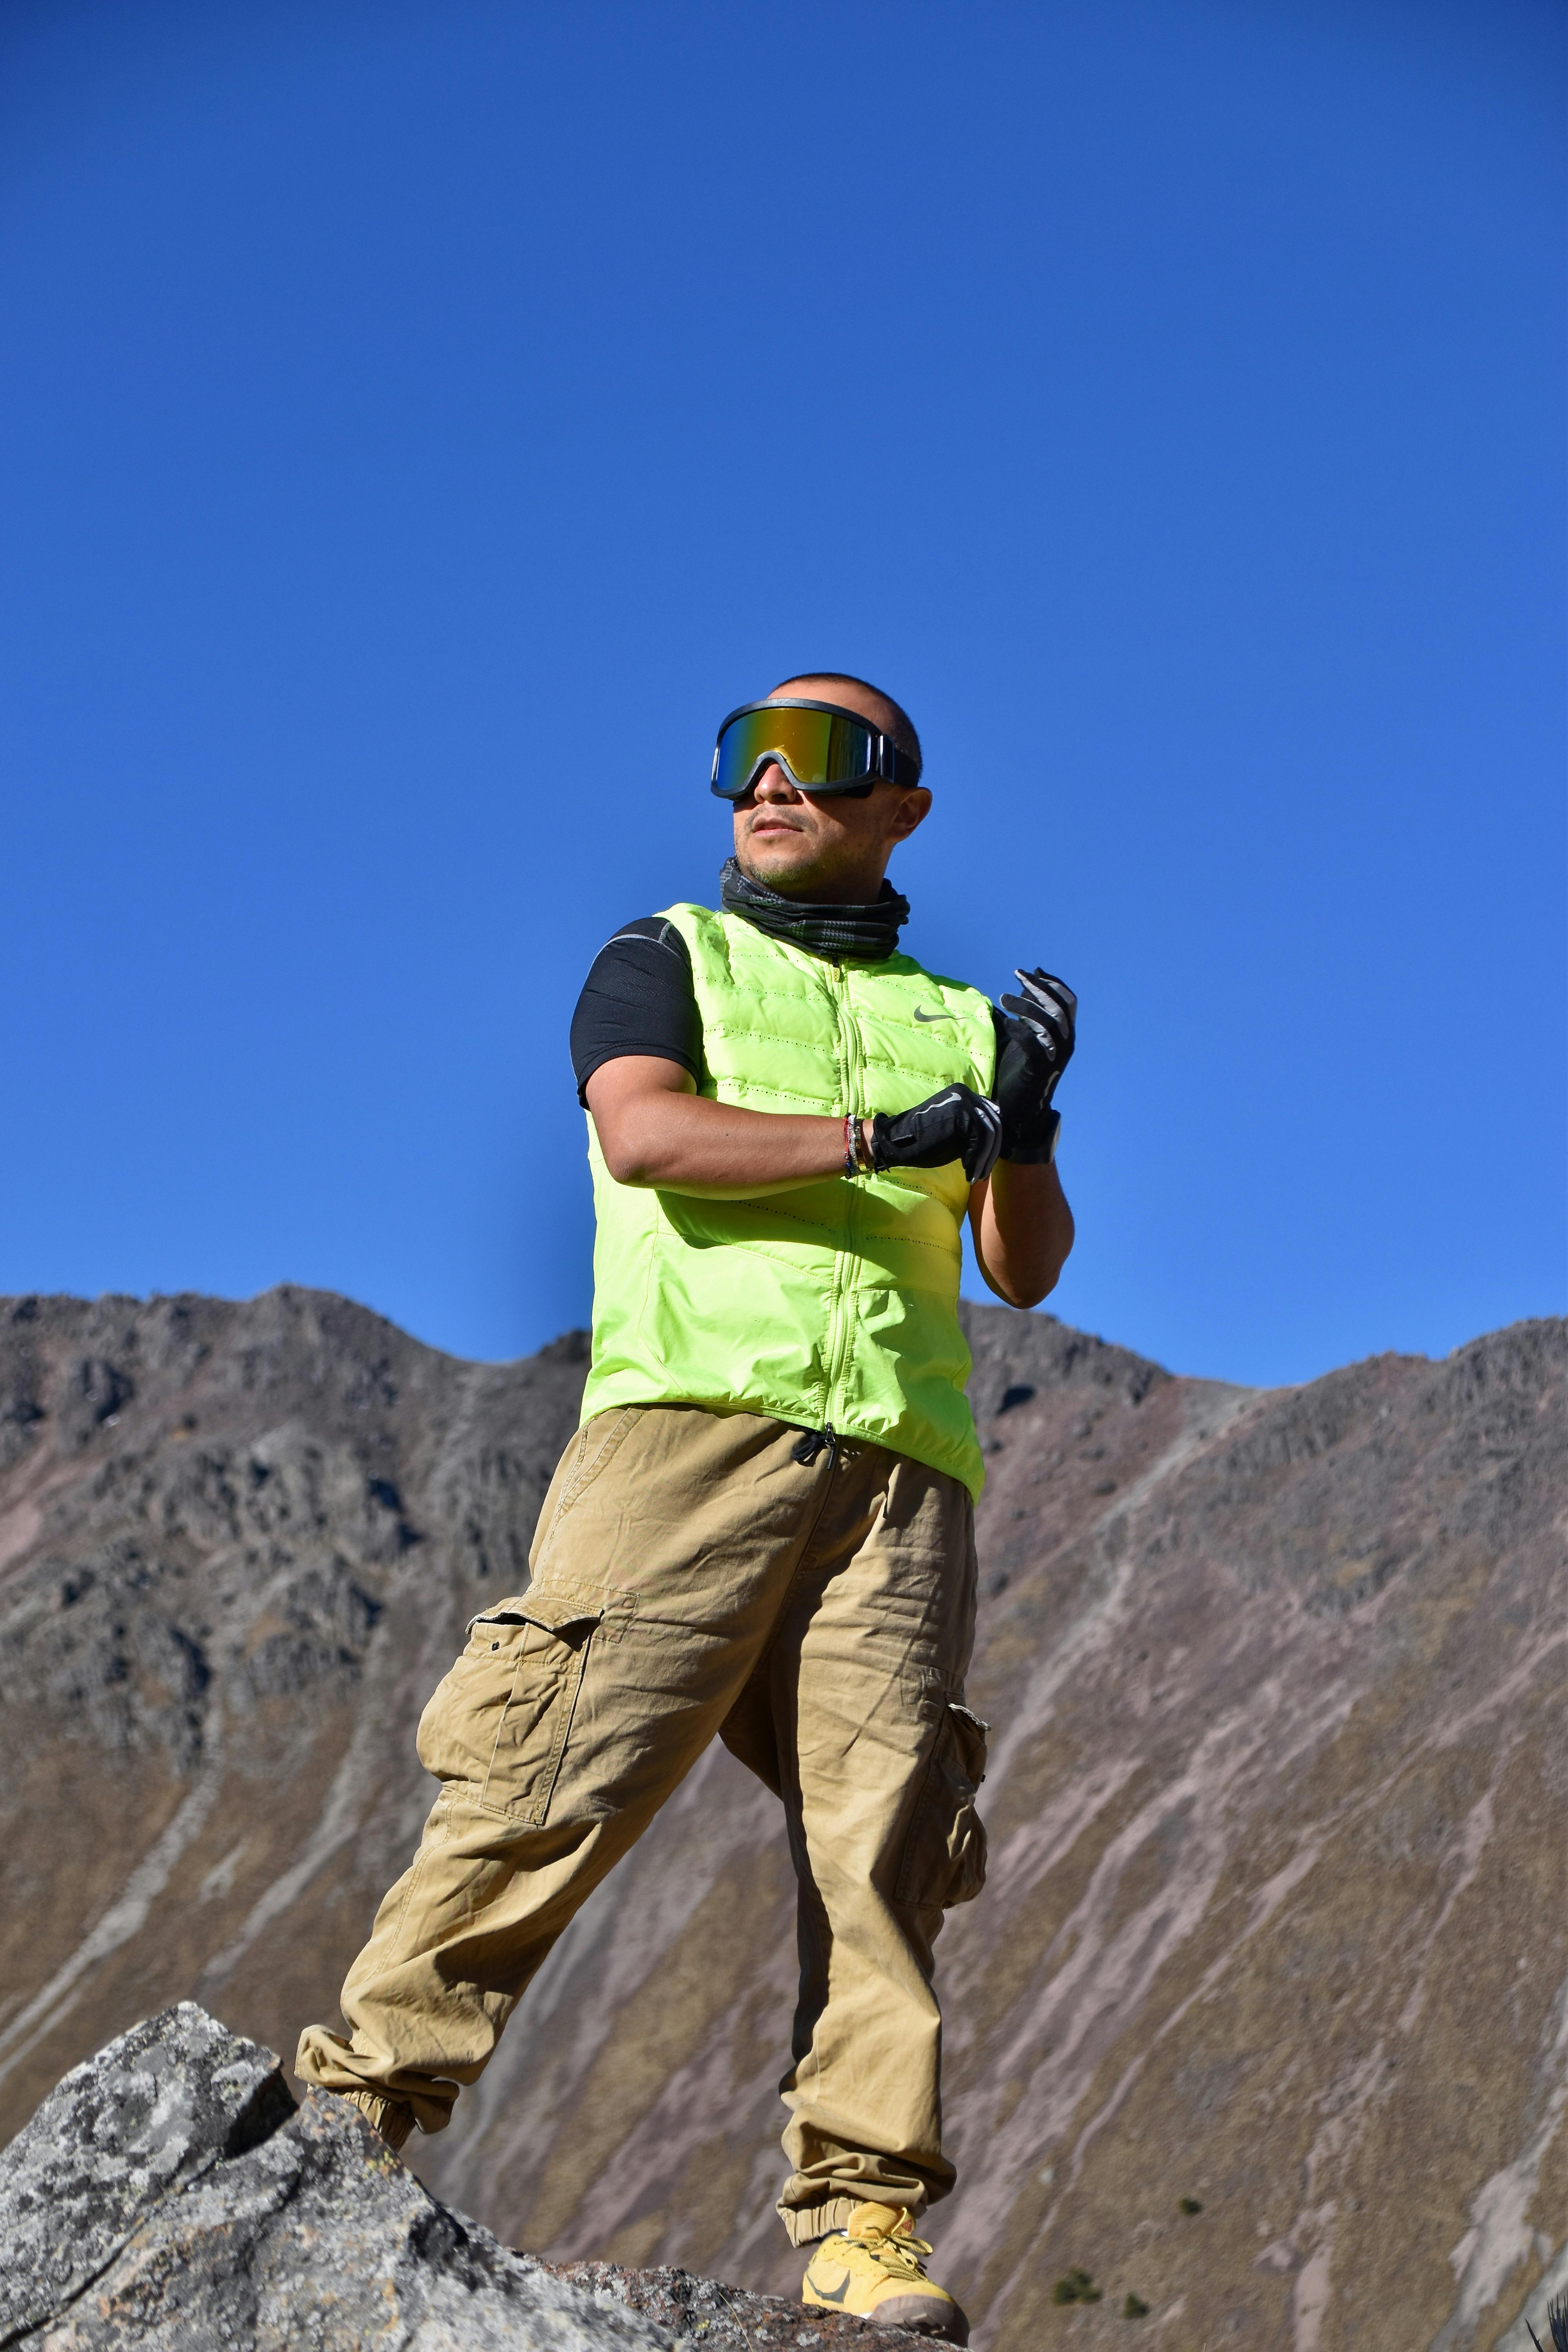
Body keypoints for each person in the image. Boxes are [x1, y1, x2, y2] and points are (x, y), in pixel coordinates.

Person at [296, 672, 1076, 2343]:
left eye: (827, 758)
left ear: (904, 808)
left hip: (900, 1475)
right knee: (546, 1777)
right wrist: (884, 1130)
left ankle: (864, 2226)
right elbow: (644, 1139)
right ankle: (355, 2114)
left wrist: (1023, 1115)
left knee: (883, 1849)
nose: (775, 782)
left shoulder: (955, 1013)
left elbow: (1024, 1264)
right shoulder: (666, 956)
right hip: (687, 1438)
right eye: (746, 754)